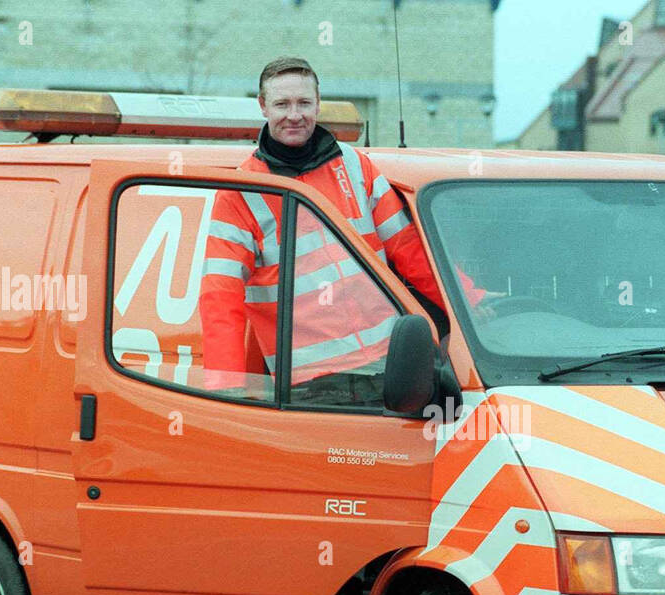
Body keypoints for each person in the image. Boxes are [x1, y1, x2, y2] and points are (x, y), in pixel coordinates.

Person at [199, 56, 485, 410]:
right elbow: (220, 294)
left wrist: (471, 304)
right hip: (311, 383)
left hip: (391, 365)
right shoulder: (240, 191)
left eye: (304, 103)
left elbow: (411, 251)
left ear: (318, 104)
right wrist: (225, 388)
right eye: (282, 104)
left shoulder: (355, 165)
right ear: (262, 107)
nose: (294, 114)